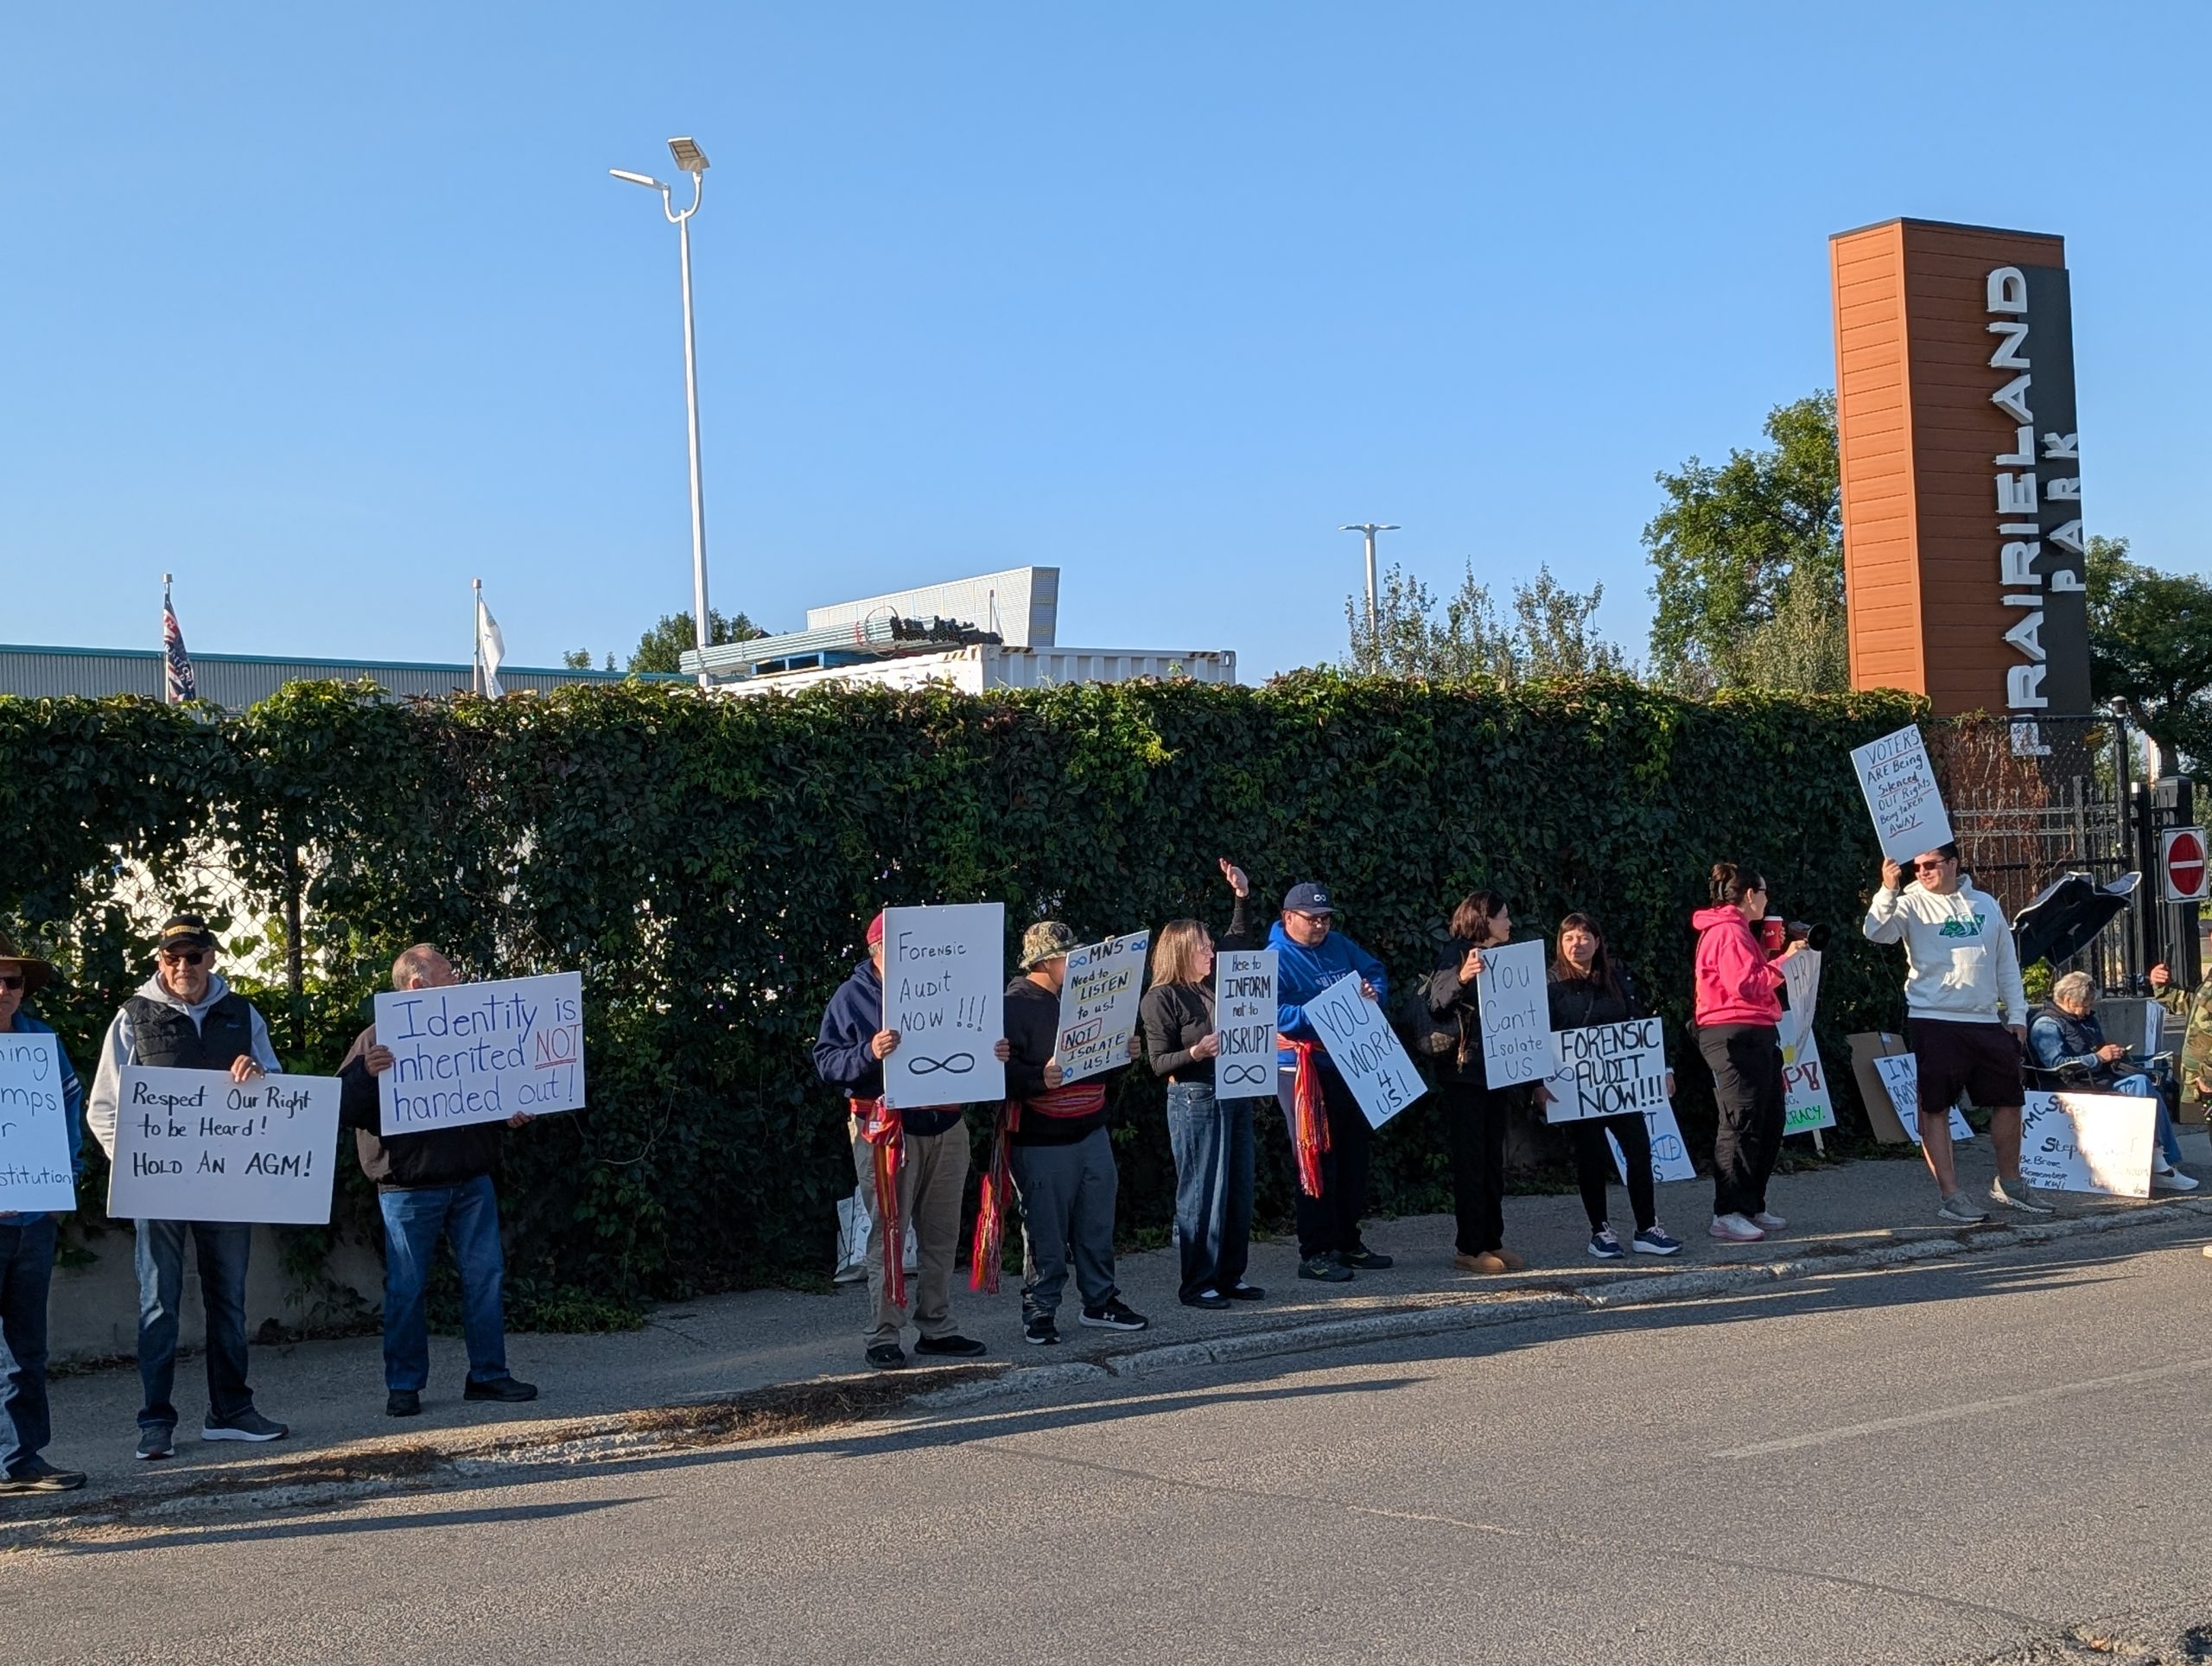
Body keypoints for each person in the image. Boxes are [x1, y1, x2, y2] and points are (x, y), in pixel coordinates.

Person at [86, 914, 289, 1459]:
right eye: (172, 957)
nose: (183, 967)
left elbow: (278, 1091)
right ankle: (156, 1422)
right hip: (158, 1192)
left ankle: (231, 1411)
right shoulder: (133, 1017)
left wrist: (261, 1078)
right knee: (159, 1304)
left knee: (230, 1300)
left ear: (211, 959)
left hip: (228, 1186)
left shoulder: (242, 1014)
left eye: (193, 957)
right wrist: (135, 1166)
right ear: (160, 961)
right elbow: (104, 1108)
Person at [337, 945, 543, 1415]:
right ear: (418, 984)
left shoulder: (475, 1029)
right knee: (407, 1288)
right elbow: (344, 1108)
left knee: (485, 1278)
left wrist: (508, 1113)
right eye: (449, 973)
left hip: (471, 1179)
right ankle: (404, 1386)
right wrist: (367, 1076)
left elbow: (485, 1091)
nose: (458, 980)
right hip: (408, 1187)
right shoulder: (376, 1038)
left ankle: (489, 1375)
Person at [814, 913, 1006, 1370]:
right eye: (899, 949)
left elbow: (972, 1036)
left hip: (946, 1124)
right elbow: (826, 1062)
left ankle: (936, 1325)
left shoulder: (952, 984)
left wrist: (994, 1052)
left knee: (941, 1235)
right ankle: (883, 1332)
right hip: (887, 1129)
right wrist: (868, 1052)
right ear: (877, 952)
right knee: (889, 1232)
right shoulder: (852, 996)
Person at [1864, 843, 2047, 1224]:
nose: (1923, 873)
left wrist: (2017, 1014)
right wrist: (1888, 888)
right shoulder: (1910, 901)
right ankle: (1951, 1194)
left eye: (1931, 865)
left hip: (1983, 1018)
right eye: (1917, 868)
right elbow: (1876, 933)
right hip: (1934, 1018)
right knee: (1935, 1106)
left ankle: (2009, 1182)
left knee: (2009, 1099)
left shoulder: (1984, 903)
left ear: (1953, 864)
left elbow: (2005, 962)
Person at [1002, 921, 1148, 1345]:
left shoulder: (1082, 996)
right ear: (1046, 962)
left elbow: (1098, 1058)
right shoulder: (1013, 1006)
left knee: (1097, 1223)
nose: (1077, 963)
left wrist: (1126, 1053)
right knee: (1045, 1231)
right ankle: (1040, 1308)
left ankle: (1100, 1300)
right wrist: (1036, 1078)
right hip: (1041, 1138)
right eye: (1068, 956)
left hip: (1091, 1128)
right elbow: (997, 1073)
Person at [1139, 859, 1265, 1309]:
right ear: (1180, 953)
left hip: (1233, 1091)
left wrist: (1242, 897)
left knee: (1237, 1188)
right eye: (1202, 949)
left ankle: (1230, 1275)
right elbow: (1158, 1063)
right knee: (1201, 1190)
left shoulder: (1216, 984)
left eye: (1211, 947)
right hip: (1193, 1096)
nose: (1211, 955)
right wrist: (1195, 1053)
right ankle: (1197, 1281)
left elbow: (1241, 942)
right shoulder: (1161, 998)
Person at [1536, 912, 1684, 1260]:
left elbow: (1641, 1025)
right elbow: (1538, 1038)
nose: (1578, 943)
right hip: (1577, 1091)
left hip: (1621, 1088)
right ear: (1560, 943)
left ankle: (1647, 1228)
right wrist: (1537, 1086)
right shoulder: (1550, 984)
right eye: (1570, 937)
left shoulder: (1618, 978)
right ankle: (1599, 1231)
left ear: (1598, 942)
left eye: (1585, 936)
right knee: (1590, 1158)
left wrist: (1662, 1067)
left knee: (1639, 1151)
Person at [0, 932, 86, 1495]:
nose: (3, 990)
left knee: (27, 1346)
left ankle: (23, 1460)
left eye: (11, 981)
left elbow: (70, 1113)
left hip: (32, 1221)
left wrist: (64, 1184)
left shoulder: (41, 1045)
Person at [1273, 882, 1393, 1283]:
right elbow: (1272, 1013)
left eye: (1325, 918)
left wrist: (1374, 992)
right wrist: (1322, 1011)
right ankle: (1316, 1251)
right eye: (1313, 919)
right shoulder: (1274, 957)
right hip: (1303, 1068)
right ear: (1288, 918)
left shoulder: (1340, 944)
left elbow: (1374, 971)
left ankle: (1346, 1241)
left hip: (1351, 1062)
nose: (1321, 926)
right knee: (1314, 1157)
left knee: (1354, 1154)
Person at [1422, 891, 1530, 1275]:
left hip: (1497, 1072)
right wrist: (1462, 978)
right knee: (1470, 1161)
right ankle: (1469, 1246)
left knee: (1492, 1161)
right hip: (1465, 1073)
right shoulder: (1455, 954)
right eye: (1503, 916)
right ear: (1484, 919)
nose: (1509, 923)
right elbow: (1436, 1004)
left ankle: (1492, 1240)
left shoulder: (1507, 959)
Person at [1692, 864, 1796, 1243]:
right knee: (1740, 1120)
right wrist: (1786, 961)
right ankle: (1727, 1210)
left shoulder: (1738, 932)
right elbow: (1745, 985)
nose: (1767, 901)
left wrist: (1770, 953)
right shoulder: (1728, 930)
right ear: (1749, 894)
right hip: (1733, 1032)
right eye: (1764, 893)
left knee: (1769, 1119)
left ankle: (1750, 1203)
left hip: (1755, 1031)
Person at [2027, 970, 2198, 1193]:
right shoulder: (2047, 1024)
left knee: (2147, 1085)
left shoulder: (2085, 1019)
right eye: (2085, 1005)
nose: (2088, 1010)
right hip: (2070, 1085)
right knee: (2139, 1085)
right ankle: (2159, 1162)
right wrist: (2098, 1057)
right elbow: (2056, 1063)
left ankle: (2161, 1158)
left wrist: (2112, 1054)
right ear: (2069, 1000)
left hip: (2096, 1078)